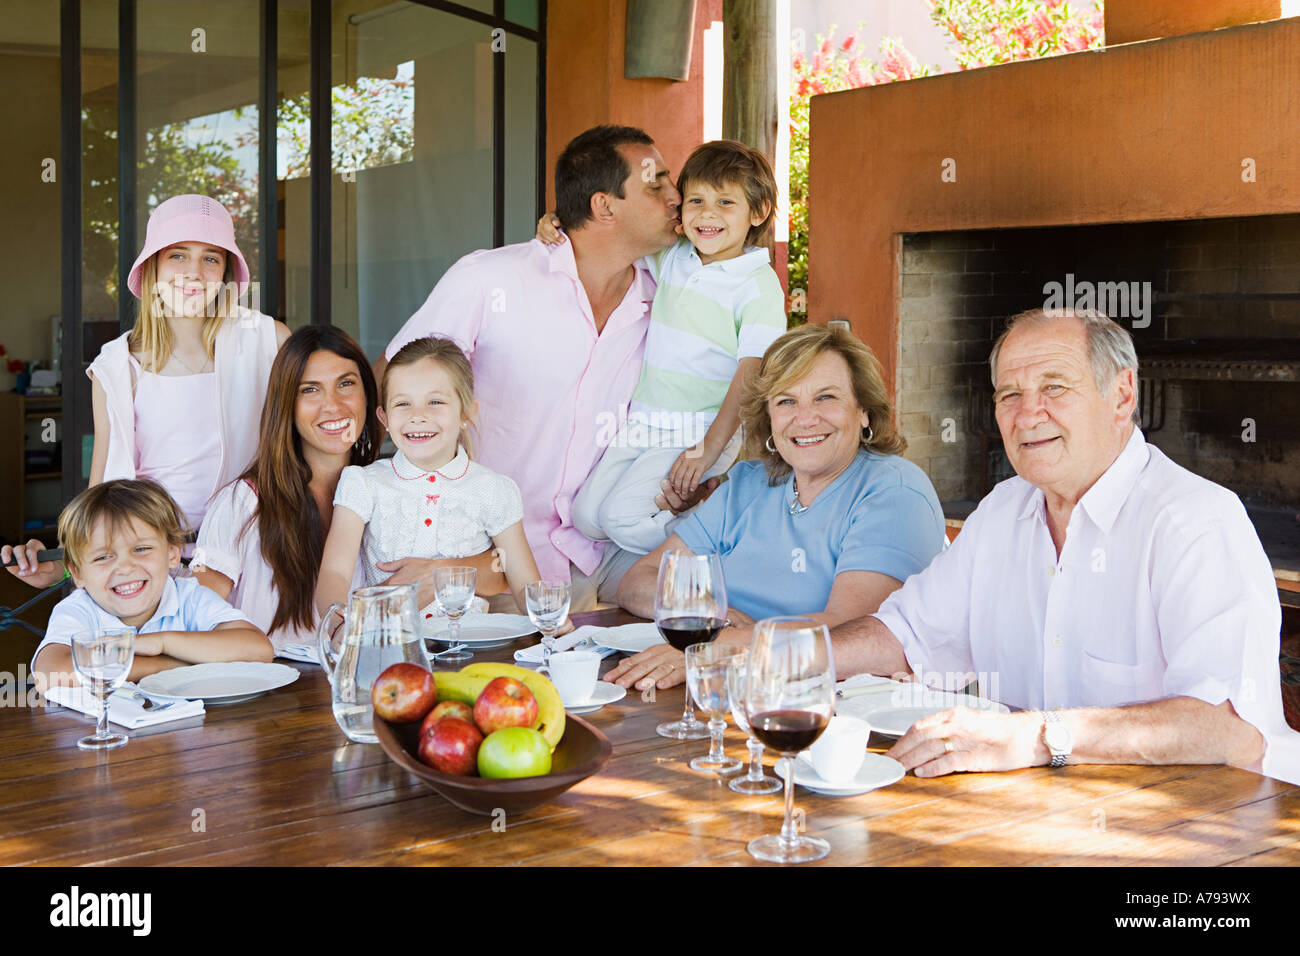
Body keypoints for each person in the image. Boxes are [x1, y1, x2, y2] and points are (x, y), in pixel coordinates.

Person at [832, 308, 1300, 785]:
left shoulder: (1196, 521)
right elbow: (906, 636)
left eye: (1054, 388)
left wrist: (1034, 737)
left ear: (1121, 397)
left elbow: (1228, 729)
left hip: (1205, 820)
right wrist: (785, 657)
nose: (1028, 414)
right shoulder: (1003, 510)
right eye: (1009, 394)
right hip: (1045, 809)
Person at [374, 125, 685, 612]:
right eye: (657, 184)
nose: (677, 197)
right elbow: (394, 378)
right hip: (485, 567)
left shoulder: (673, 293)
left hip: (610, 554)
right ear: (604, 207)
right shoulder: (489, 279)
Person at [606, 323, 947, 692]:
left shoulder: (894, 492)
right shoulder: (747, 484)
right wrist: (711, 618)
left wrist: (715, 647)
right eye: (786, 401)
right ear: (768, 417)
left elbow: (851, 625)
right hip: (721, 683)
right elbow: (641, 579)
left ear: (863, 411)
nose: (805, 417)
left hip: (826, 702)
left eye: (826, 397)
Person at [537, 139, 787, 555]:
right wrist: (559, 222)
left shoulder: (757, 285)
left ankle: (720, 552)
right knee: (587, 519)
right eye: (696, 200)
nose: (707, 214)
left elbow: (752, 376)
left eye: (726, 203)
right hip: (645, 421)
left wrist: (707, 451)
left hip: (699, 430)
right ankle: (696, 521)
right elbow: (615, 237)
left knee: (621, 518)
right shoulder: (674, 256)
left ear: (757, 213)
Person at [191, 326, 506, 655]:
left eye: (346, 384)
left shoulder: (391, 487)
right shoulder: (242, 503)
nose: (333, 405)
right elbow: (194, 611)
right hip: (271, 692)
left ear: (371, 398)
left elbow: (502, 569)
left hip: (371, 683)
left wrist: (438, 574)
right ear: (286, 404)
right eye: (310, 390)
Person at [88, 194, 290, 533]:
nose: (194, 273)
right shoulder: (117, 365)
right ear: (154, 266)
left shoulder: (269, 340)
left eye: (210, 258)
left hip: (254, 548)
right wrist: (68, 562)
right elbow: (102, 480)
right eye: (177, 255)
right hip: (156, 557)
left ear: (225, 271)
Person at [316, 337, 545, 620]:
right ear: (384, 418)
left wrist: (550, 619)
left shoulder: (493, 489)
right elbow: (334, 571)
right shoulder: (364, 483)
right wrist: (339, 622)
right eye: (403, 404)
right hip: (392, 642)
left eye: (435, 402)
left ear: (466, 413)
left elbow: (523, 582)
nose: (418, 416)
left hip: (470, 645)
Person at [30, 479, 271, 692]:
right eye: (103, 557)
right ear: (77, 573)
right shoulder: (79, 610)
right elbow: (50, 675)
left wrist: (161, 642)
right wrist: (173, 664)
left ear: (172, 555)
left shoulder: (188, 597)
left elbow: (257, 649)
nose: (125, 567)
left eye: (141, 549)